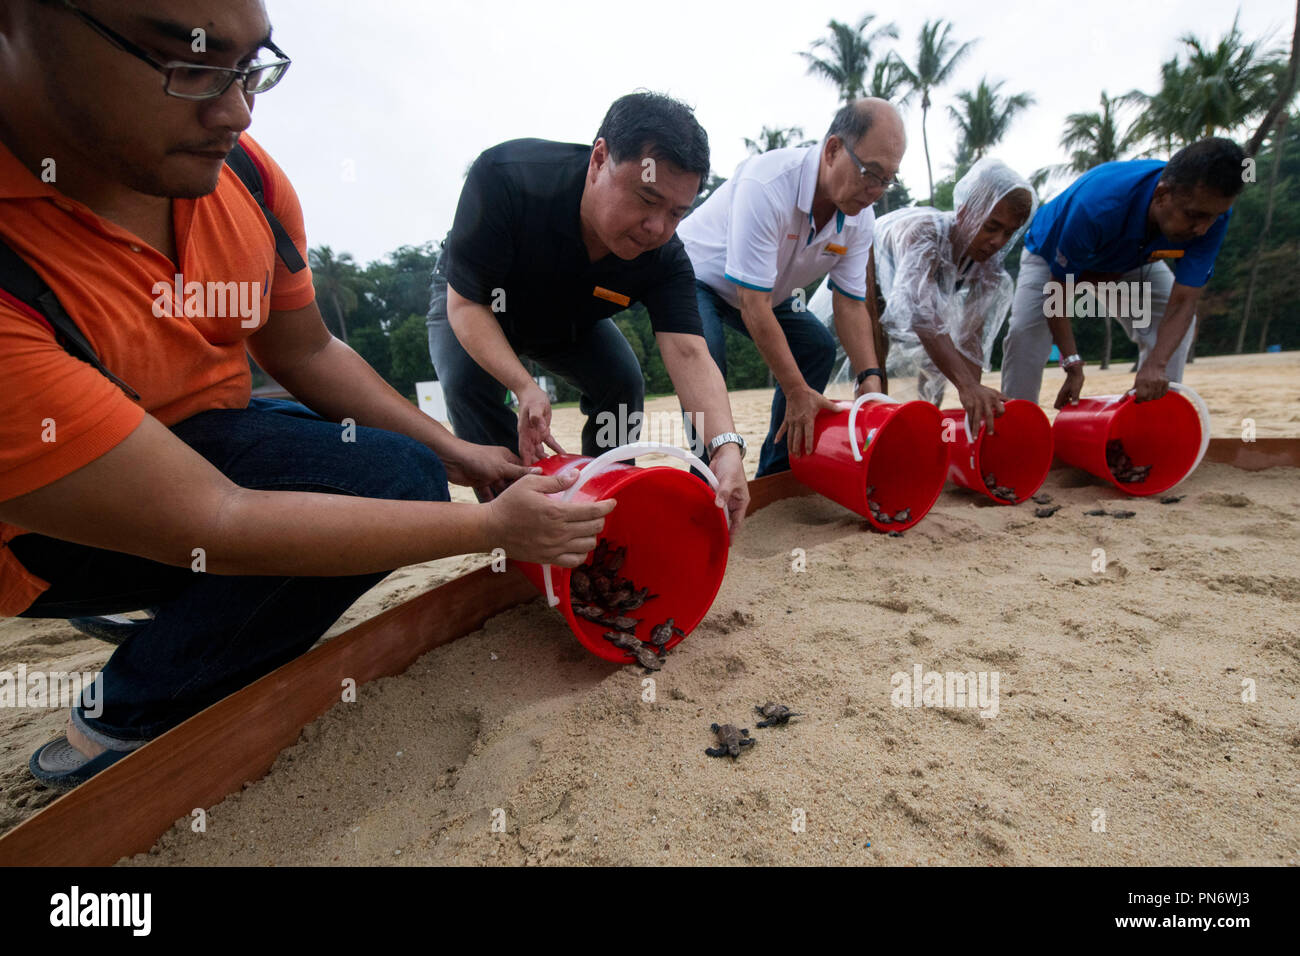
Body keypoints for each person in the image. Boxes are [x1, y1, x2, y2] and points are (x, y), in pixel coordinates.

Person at [0, 0, 612, 789]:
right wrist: (490, 529)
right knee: (391, 481)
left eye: (251, 67)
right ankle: (132, 711)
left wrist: (459, 453)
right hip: (50, 538)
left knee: (389, 456)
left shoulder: (241, 174)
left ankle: (182, 608)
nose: (235, 110)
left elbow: (308, 350)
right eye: (189, 65)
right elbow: (215, 518)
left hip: (204, 438)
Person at [427, 92, 750, 529]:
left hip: (568, 317)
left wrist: (726, 449)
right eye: (647, 199)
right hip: (480, 306)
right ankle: (517, 522)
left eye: (677, 212)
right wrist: (524, 387)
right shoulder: (507, 177)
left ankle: (605, 498)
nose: (657, 227)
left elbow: (690, 353)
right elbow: (466, 305)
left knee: (621, 380)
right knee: (467, 385)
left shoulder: (665, 256)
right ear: (600, 159)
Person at [676, 99, 904, 477]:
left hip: (765, 292)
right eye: (870, 173)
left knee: (816, 346)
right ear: (832, 149)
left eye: (887, 179)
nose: (876, 190)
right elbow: (753, 305)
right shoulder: (767, 184)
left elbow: (849, 304)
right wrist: (797, 391)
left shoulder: (860, 217)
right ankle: (707, 477)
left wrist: (870, 380)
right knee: (705, 355)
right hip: (696, 276)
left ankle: (777, 474)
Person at [1001, 138, 1243, 407]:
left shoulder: (1212, 215)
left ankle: (1152, 421)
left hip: (1133, 260)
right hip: (1050, 255)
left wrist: (1156, 364)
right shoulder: (1096, 206)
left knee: (1174, 327)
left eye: (1213, 216)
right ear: (1162, 195)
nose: (1202, 229)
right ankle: (1018, 422)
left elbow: (1184, 300)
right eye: (1194, 216)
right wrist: (1072, 363)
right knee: (1025, 333)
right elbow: (1057, 299)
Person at [809, 157, 1036, 434]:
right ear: (965, 212)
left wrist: (973, 397)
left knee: (938, 371)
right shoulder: (925, 234)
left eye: (1008, 233)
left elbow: (970, 340)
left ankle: (925, 428)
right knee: (872, 365)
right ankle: (871, 431)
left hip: (916, 297)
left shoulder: (990, 271)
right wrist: (966, 386)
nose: (998, 242)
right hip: (870, 268)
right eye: (991, 227)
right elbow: (922, 315)